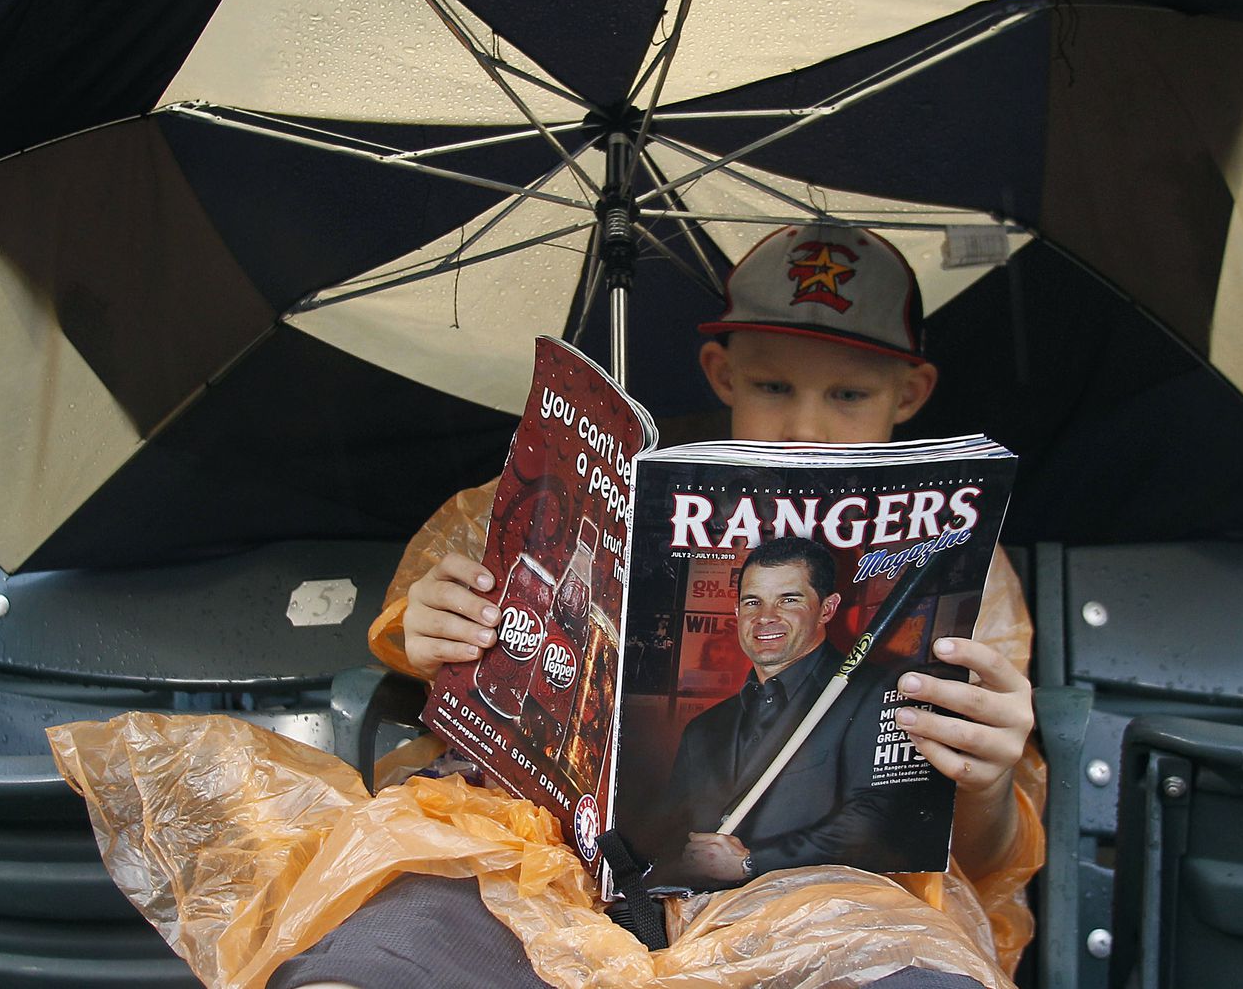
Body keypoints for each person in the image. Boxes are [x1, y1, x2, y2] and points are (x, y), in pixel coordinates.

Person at [267, 224, 1040, 989]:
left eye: (849, 394)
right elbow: (448, 670)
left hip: (826, 903)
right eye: (774, 386)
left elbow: (981, 858)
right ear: (722, 372)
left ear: (910, 394)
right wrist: (438, 627)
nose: (806, 424)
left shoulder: (954, 558)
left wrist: (988, 779)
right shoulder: (572, 505)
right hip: (528, 858)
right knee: (372, 963)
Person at [641, 536, 925, 888]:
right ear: (737, 612)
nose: (765, 618)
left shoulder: (876, 692)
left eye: (788, 600)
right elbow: (673, 834)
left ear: (827, 609)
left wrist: (751, 863)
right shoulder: (703, 729)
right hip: (700, 923)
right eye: (752, 602)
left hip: (825, 923)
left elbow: (877, 820)